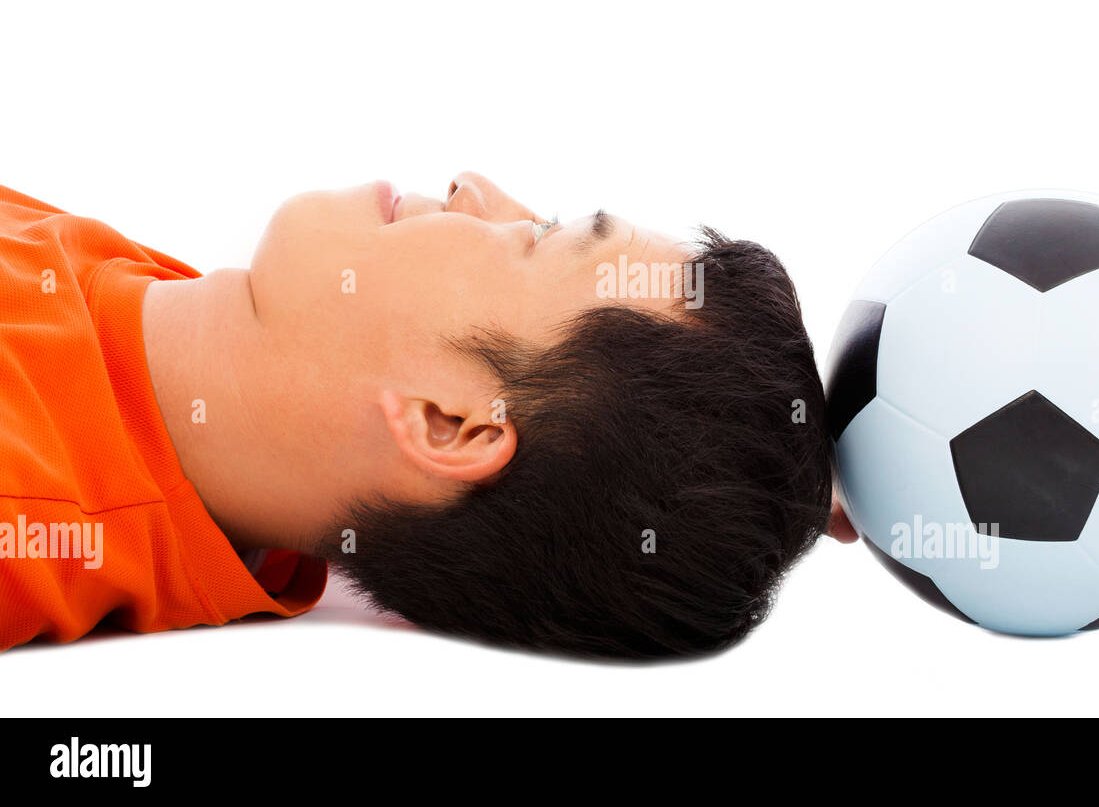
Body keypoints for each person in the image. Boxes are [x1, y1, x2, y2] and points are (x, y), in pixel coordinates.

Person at [0, 175, 854, 658]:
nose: (473, 188)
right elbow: (550, 514)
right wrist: (774, 467)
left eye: (537, 238)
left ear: (451, 424)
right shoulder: (166, 332)